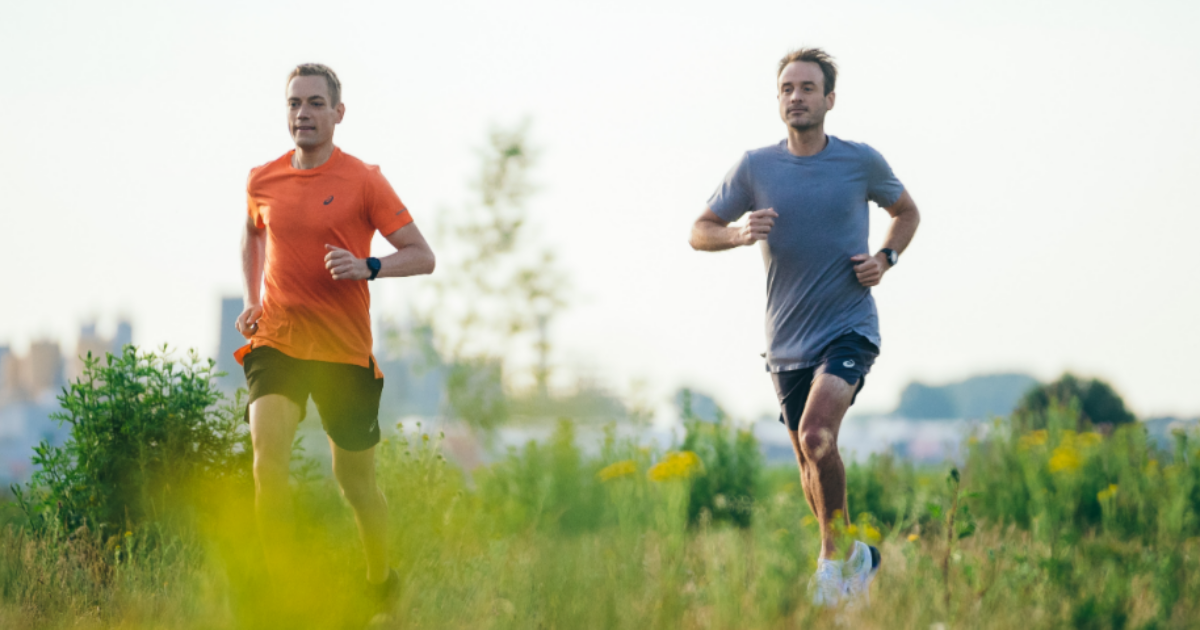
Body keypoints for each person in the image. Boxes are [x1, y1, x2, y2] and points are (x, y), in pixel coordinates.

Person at [688, 48, 920, 607]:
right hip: (785, 341)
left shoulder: (859, 161)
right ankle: (856, 559)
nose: (796, 96)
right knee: (806, 460)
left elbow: (907, 212)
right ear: (779, 100)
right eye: (787, 88)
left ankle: (828, 565)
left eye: (808, 88)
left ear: (829, 100)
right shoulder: (754, 167)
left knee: (818, 436)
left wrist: (885, 259)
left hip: (849, 327)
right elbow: (700, 230)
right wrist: (740, 233)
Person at [234, 63, 435, 609]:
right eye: (294, 104)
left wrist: (368, 266)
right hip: (277, 338)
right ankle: (281, 593)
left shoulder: (364, 180)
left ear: (338, 114)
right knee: (266, 462)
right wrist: (253, 298)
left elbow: (423, 256)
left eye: (315, 104)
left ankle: (379, 584)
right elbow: (253, 236)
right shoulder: (262, 179)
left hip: (344, 350)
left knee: (355, 484)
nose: (303, 114)